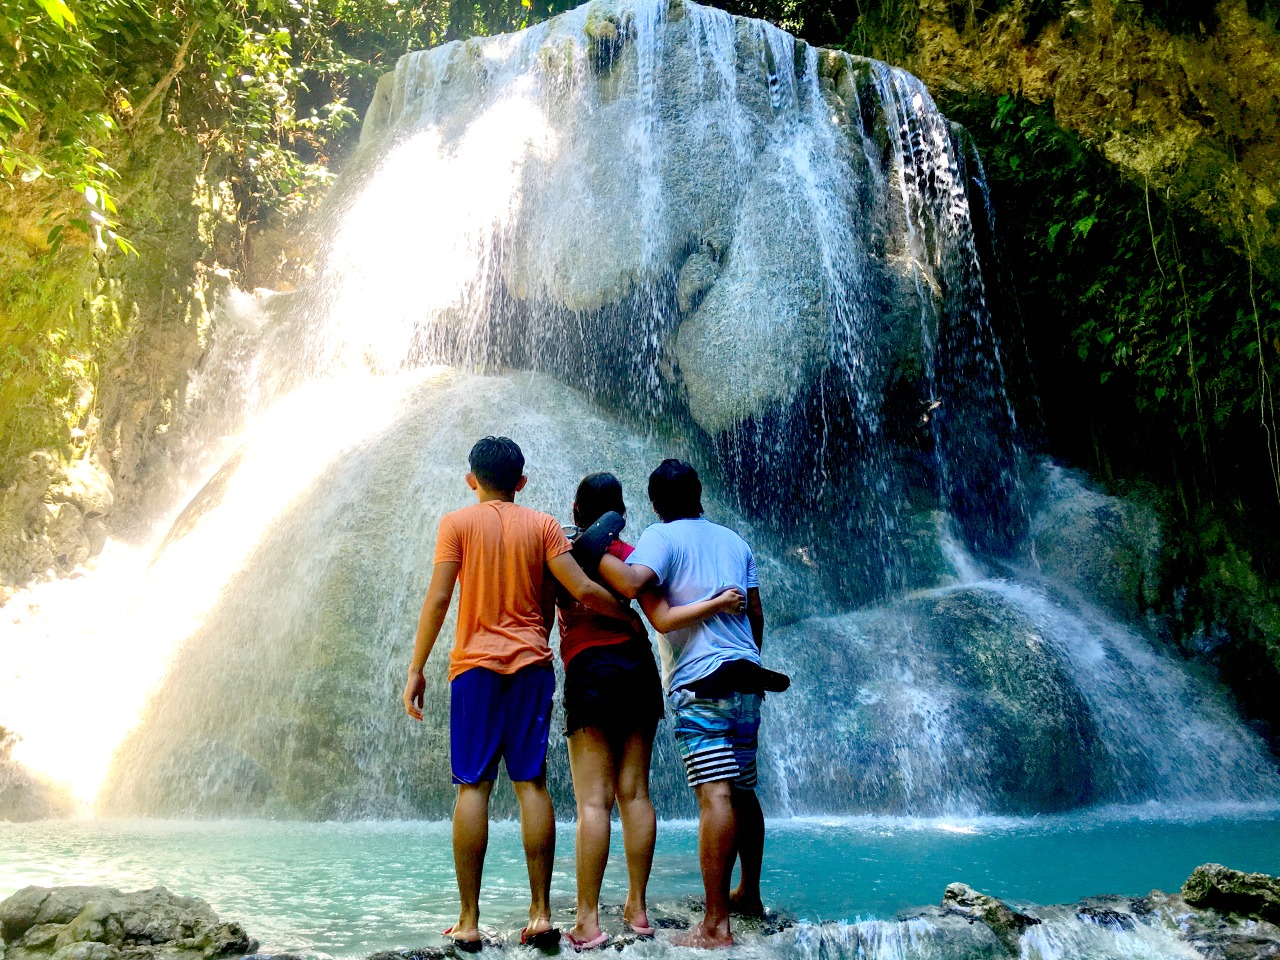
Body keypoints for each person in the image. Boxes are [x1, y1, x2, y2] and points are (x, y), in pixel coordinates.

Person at [401, 437, 633, 952]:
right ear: (521, 482)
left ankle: (467, 921)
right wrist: (630, 619)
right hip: (532, 667)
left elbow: (440, 598)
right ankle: (542, 913)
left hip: (475, 671)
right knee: (531, 786)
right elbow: (584, 590)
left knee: (473, 788)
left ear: (471, 480)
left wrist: (416, 668)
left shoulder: (456, 524)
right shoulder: (544, 525)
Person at [557, 473, 744, 951]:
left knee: (593, 801)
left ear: (577, 509)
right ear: (621, 513)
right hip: (638, 670)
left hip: (590, 670)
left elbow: (546, 608)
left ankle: (588, 921)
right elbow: (652, 608)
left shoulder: (561, 550)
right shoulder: (633, 556)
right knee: (635, 794)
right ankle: (638, 910)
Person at [606, 459, 768, 948]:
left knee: (715, 795)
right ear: (700, 495)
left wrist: (591, 550)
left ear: (656, 503)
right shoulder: (734, 541)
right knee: (743, 789)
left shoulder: (662, 536)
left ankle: (715, 925)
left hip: (701, 682)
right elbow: (756, 612)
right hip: (746, 675)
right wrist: (748, 656)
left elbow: (634, 584)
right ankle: (750, 895)